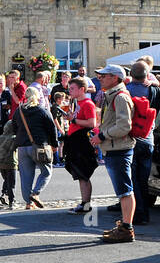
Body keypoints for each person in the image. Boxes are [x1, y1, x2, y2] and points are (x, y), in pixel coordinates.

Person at [95, 65, 138, 243]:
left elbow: (124, 126)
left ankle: (127, 229)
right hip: (115, 147)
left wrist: (103, 135)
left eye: (104, 76)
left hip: (119, 148)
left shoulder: (120, 97)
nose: (101, 79)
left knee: (125, 191)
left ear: (115, 78)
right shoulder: (113, 95)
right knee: (123, 190)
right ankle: (125, 225)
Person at [123, 61, 160, 225]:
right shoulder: (155, 90)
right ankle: (144, 212)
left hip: (130, 138)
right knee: (143, 179)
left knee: (132, 179)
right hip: (148, 137)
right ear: (147, 74)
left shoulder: (126, 91)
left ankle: (137, 213)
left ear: (131, 74)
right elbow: (158, 111)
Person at [14, 86, 58, 210]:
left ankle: (28, 203)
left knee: (26, 176)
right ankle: (35, 193)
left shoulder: (19, 111)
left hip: (22, 146)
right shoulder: (42, 110)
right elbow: (51, 128)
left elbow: (14, 127)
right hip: (39, 146)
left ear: (25, 97)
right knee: (46, 171)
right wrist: (54, 144)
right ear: (37, 96)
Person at [64, 77, 99, 214]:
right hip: (74, 140)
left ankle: (86, 204)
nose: (69, 91)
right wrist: (72, 118)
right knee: (79, 174)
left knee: (83, 173)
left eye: (72, 88)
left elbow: (92, 123)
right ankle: (84, 203)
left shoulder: (87, 103)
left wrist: (75, 119)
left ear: (82, 89)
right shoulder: (77, 102)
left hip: (82, 141)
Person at [0, 118, 18, 209]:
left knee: (7, 180)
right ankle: (12, 201)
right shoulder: (14, 138)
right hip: (11, 162)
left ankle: (4, 193)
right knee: (11, 183)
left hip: (1, 163)